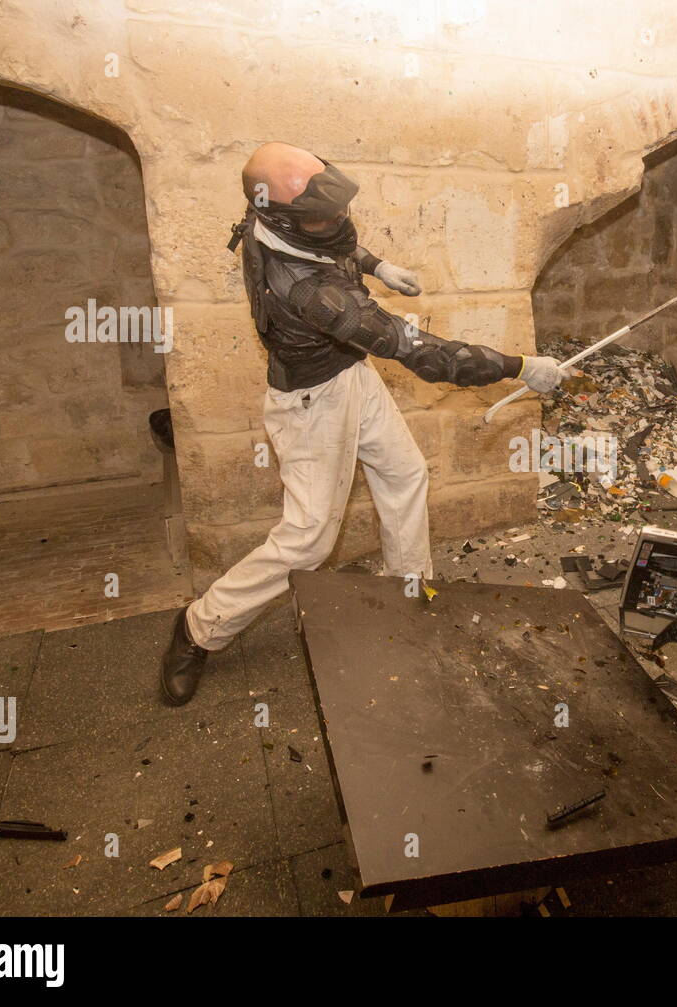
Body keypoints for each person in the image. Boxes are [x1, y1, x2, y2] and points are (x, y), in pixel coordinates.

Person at [160, 142, 563, 705]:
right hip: (312, 403)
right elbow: (424, 353)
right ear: (277, 213)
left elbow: (330, 238)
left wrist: (376, 266)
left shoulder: (274, 217)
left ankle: (408, 591)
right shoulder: (312, 294)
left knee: (404, 474)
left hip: (349, 374)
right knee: (307, 541)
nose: (337, 220)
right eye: (322, 214)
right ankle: (199, 627)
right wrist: (521, 366)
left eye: (336, 205)